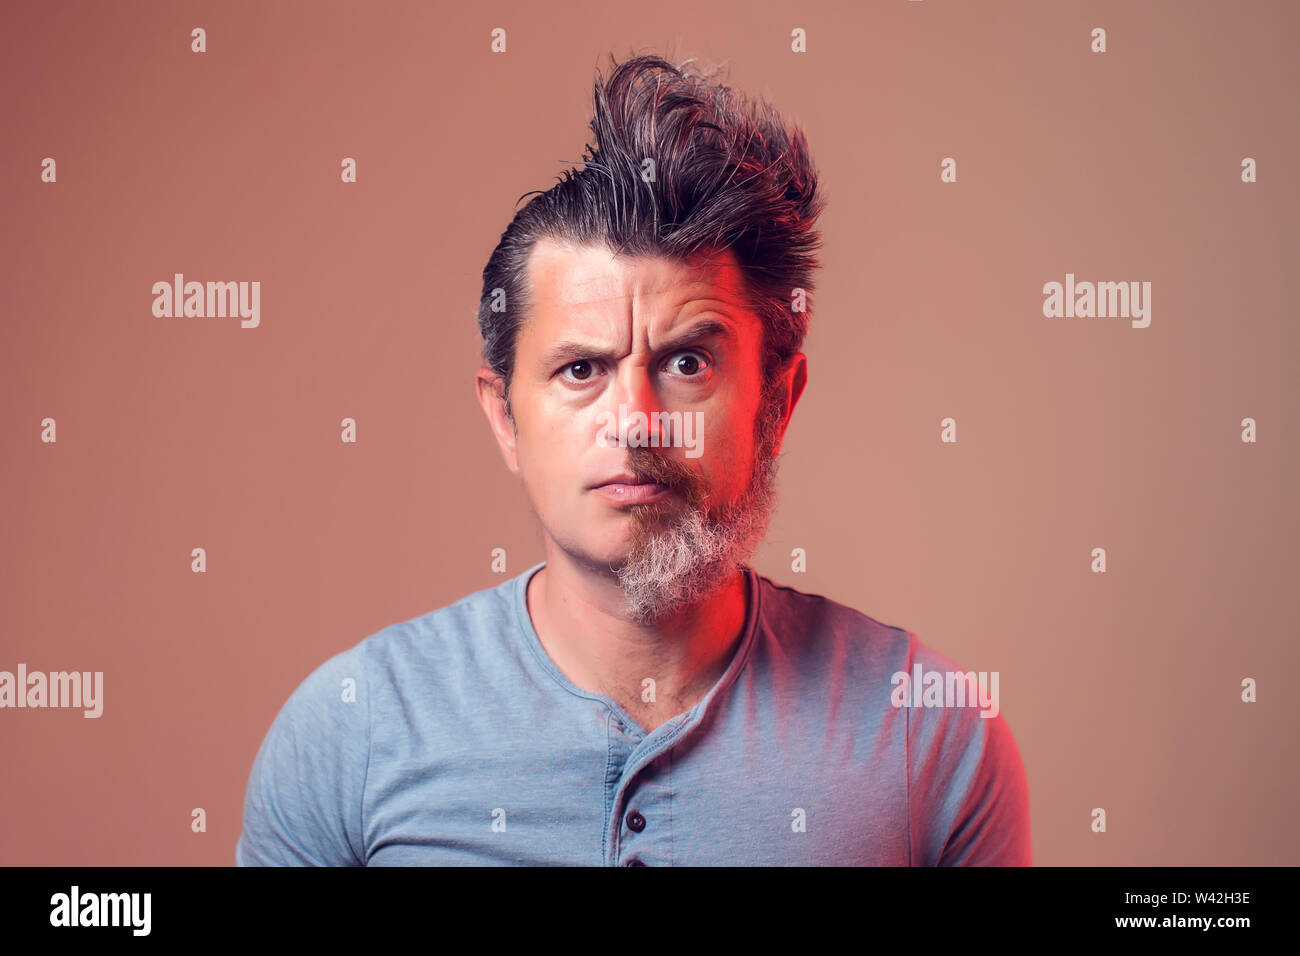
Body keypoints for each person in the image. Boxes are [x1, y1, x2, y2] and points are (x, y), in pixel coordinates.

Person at [236, 52, 1031, 866]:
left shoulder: (929, 734)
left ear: (777, 404)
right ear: (505, 416)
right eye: (581, 370)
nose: (636, 424)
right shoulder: (351, 730)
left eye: (687, 363)